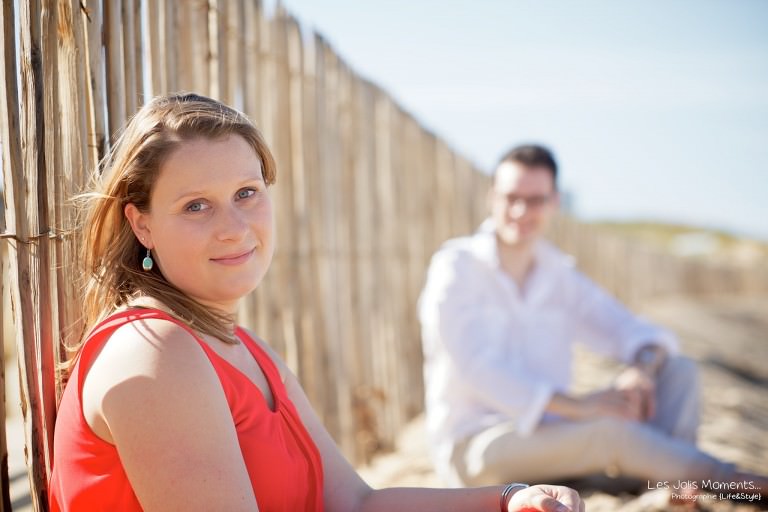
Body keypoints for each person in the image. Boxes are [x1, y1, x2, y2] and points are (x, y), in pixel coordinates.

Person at [48, 94, 583, 512]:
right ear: (141, 223)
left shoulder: (245, 350)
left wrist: (510, 497)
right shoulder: (155, 352)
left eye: (246, 193)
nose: (235, 228)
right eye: (196, 206)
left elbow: (355, 502)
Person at [418, 144, 766, 490]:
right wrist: (579, 407)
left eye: (536, 200)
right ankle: (735, 482)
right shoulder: (456, 267)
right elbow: (478, 368)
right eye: (510, 197)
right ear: (492, 197)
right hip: (478, 447)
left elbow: (635, 331)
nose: (521, 210)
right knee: (607, 432)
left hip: (555, 442)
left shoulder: (559, 276)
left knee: (679, 372)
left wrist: (641, 370)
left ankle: (667, 482)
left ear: (555, 201)